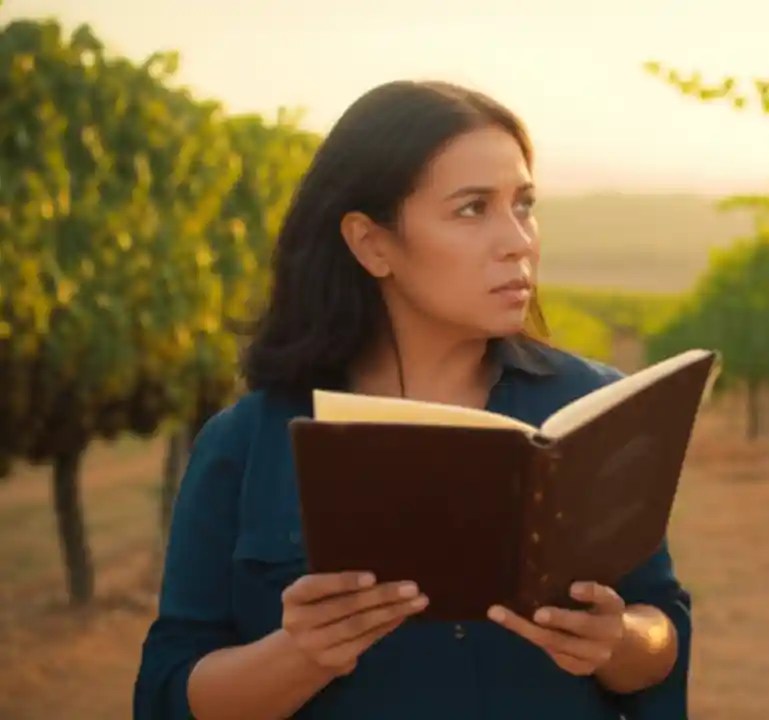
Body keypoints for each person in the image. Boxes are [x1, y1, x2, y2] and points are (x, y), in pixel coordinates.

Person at [133, 80, 691, 719]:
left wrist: (617, 640)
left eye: (524, 205)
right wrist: (302, 655)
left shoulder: (593, 408)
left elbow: (660, 623)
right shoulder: (247, 444)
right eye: (472, 209)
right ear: (372, 244)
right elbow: (172, 692)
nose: (518, 240)